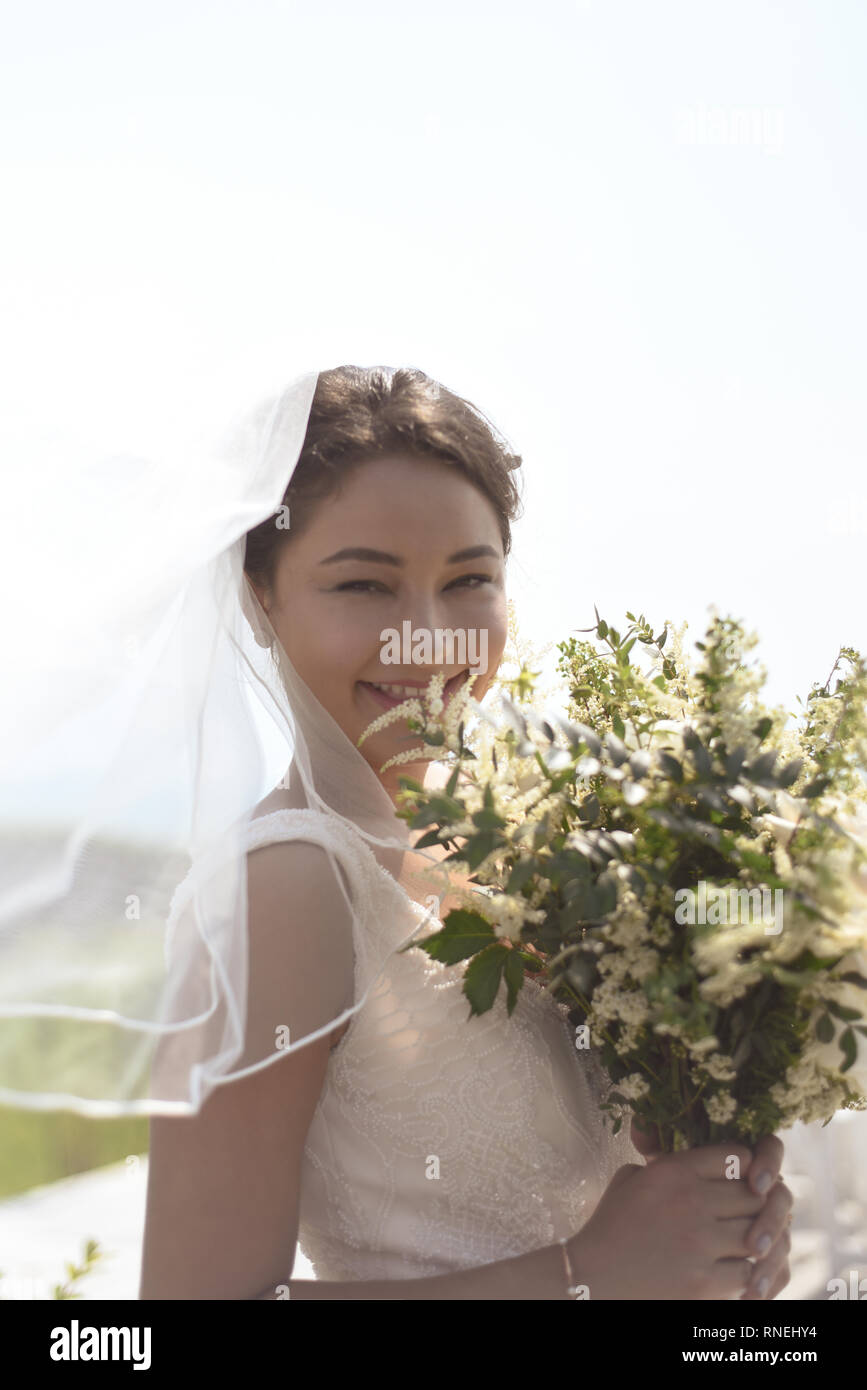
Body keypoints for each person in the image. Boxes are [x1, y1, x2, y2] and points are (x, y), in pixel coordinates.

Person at [136, 365, 794, 1300]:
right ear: (261, 598)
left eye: (467, 581)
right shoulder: (284, 886)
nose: (427, 639)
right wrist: (586, 1276)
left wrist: (717, 1215)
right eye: (364, 585)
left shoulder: (540, 843)